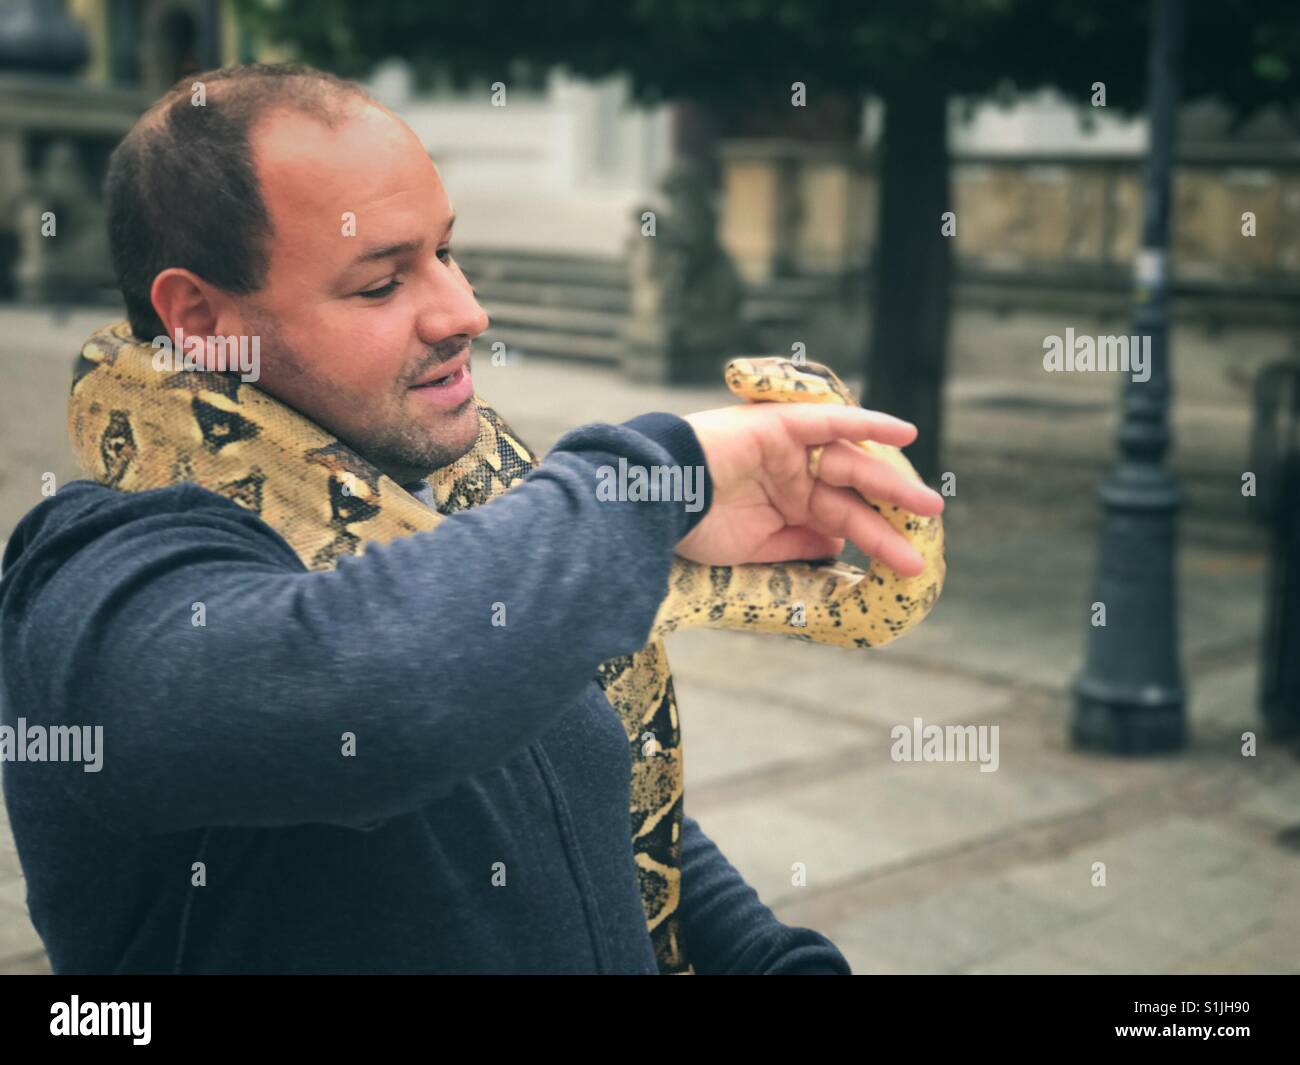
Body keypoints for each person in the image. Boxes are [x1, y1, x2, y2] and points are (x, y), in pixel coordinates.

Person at [0, 63, 943, 974]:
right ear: (200, 321)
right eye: (381, 283)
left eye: (445, 252)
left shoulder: (464, 518)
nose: (466, 311)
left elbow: (601, 803)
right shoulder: (88, 584)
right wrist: (656, 477)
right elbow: (371, 702)